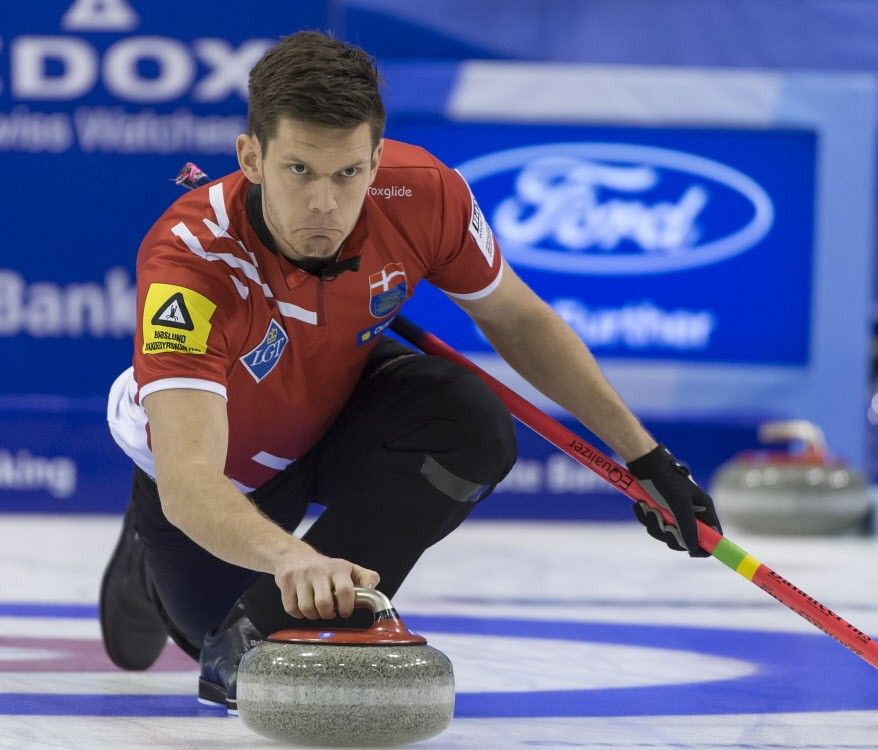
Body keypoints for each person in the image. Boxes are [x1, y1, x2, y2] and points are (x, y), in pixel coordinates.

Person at [101, 30, 722, 711]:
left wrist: (646, 458)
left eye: (349, 174)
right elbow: (192, 485)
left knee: (472, 424)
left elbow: (519, 319)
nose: (324, 206)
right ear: (251, 156)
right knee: (201, 631)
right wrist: (290, 560)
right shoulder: (191, 264)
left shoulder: (423, 191)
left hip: (341, 403)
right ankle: (149, 565)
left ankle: (267, 626)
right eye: (299, 170)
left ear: (375, 159)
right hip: (227, 468)